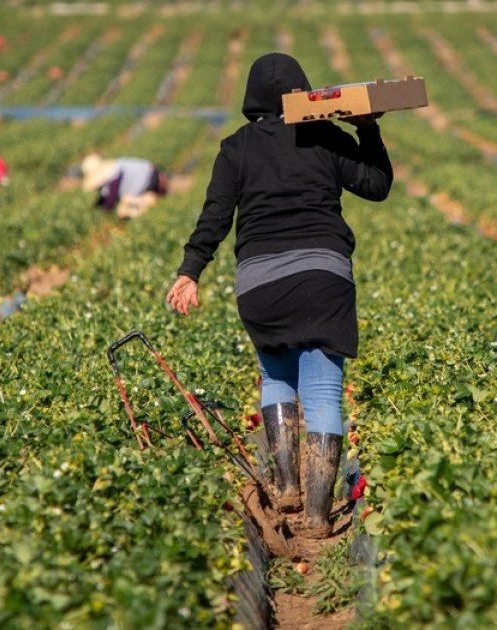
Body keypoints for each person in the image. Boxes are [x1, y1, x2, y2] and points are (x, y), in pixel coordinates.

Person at [165, 53, 392, 539]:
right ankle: (315, 516)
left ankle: (287, 485)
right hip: (323, 277)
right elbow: (376, 185)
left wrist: (190, 272)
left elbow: (215, 217)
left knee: (276, 377)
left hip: (260, 285)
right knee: (325, 393)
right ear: (303, 90)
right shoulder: (323, 135)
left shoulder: (235, 147)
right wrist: (367, 130)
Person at [80, 154, 169, 219]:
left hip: (152, 179)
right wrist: (96, 206)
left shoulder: (115, 176)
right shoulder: (114, 171)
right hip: (150, 177)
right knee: (125, 204)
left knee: (124, 207)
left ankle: (148, 206)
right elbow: (104, 198)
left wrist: (102, 211)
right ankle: (147, 205)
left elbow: (110, 200)